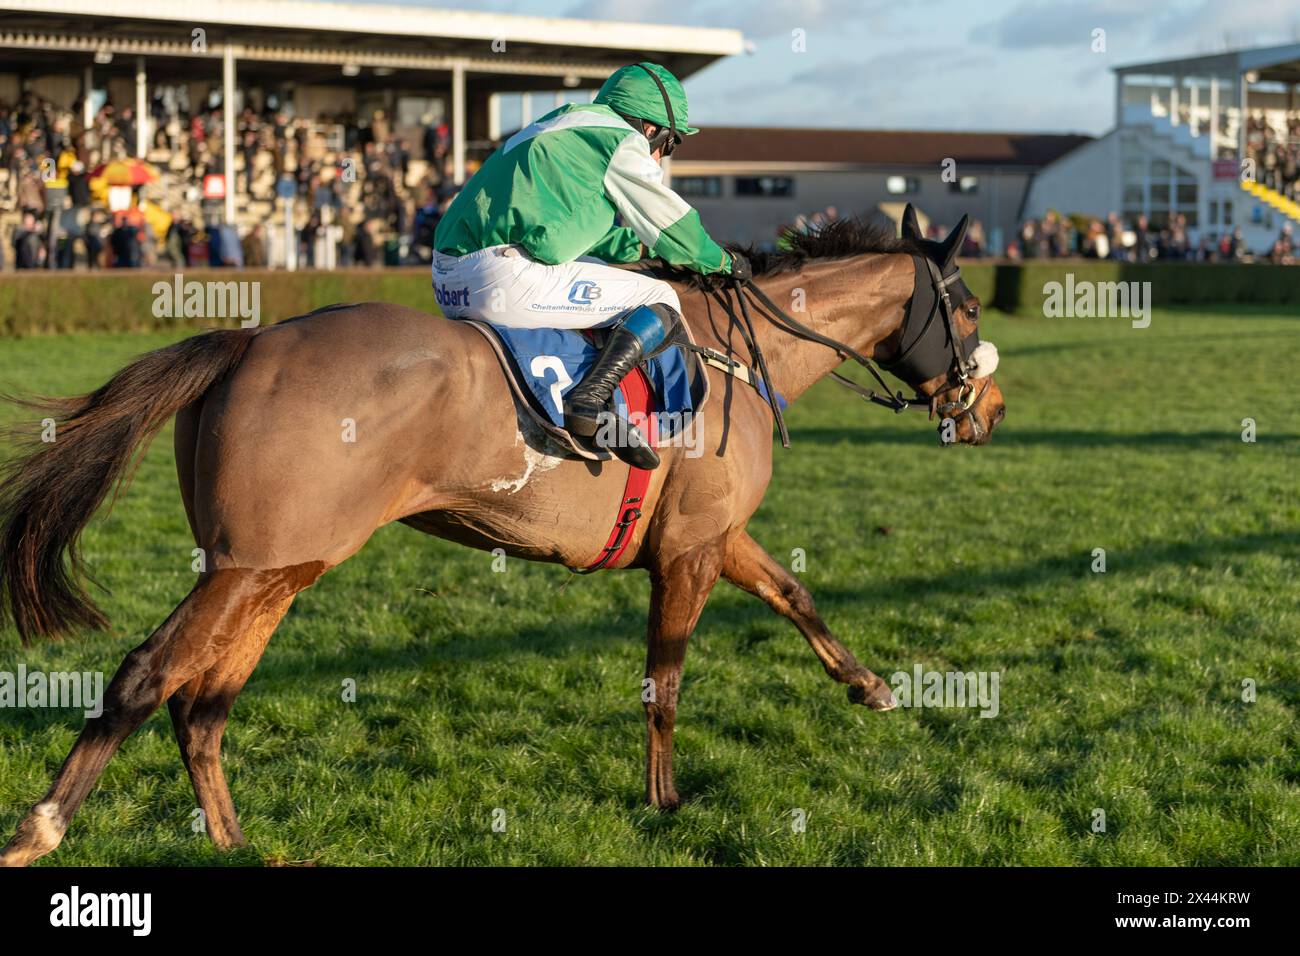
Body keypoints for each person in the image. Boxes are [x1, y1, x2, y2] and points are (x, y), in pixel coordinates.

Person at [432, 61, 747, 468]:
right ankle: (590, 400)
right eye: (671, 144)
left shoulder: (562, 123)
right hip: (499, 278)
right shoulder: (623, 140)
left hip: (448, 279)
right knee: (661, 296)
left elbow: (568, 229)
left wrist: (640, 249)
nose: (663, 156)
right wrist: (722, 261)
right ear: (652, 130)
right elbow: (675, 230)